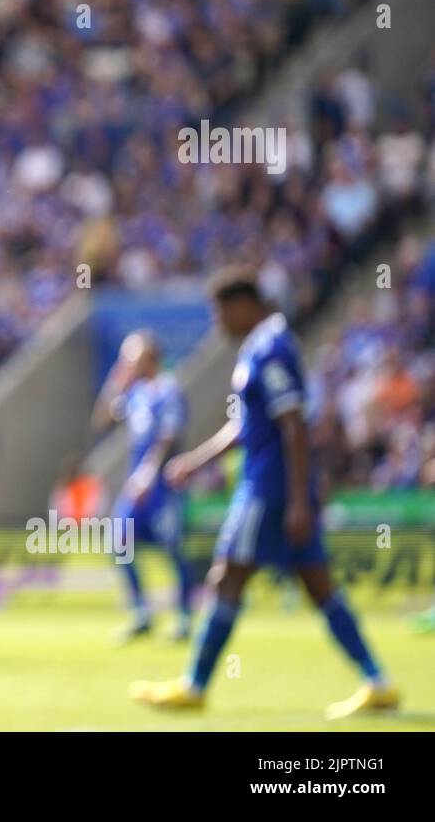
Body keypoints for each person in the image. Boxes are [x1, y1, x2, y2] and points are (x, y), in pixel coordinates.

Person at [131, 268, 399, 719]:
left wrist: (296, 498)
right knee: (318, 585)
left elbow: (293, 425)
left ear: (243, 305)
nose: (218, 323)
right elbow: (248, 425)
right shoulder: (259, 348)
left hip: (268, 488)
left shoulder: (270, 348)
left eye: (221, 312)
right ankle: (378, 681)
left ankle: (195, 684)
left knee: (227, 576)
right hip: (277, 485)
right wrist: (197, 460)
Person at [92, 331, 193, 642]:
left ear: (150, 358)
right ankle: (141, 613)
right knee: (117, 543)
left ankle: (185, 617)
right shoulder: (135, 394)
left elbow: (168, 436)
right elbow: (101, 422)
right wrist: (114, 383)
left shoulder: (167, 389)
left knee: (173, 549)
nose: (127, 363)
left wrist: (149, 472)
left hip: (162, 487)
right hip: (136, 485)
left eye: (131, 357)